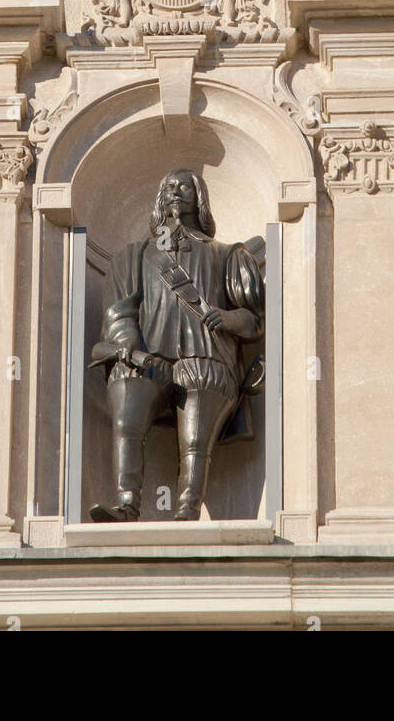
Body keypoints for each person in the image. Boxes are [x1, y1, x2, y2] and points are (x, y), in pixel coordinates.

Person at [89, 168, 264, 523]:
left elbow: (252, 319)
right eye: (169, 186)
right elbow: (119, 314)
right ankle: (126, 503)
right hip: (146, 358)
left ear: (199, 196)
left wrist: (225, 317)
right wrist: (132, 351)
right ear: (160, 199)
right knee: (127, 407)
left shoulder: (228, 255)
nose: (176, 191)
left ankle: (187, 508)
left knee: (196, 436)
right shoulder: (133, 256)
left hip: (205, 357)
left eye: (185, 185)